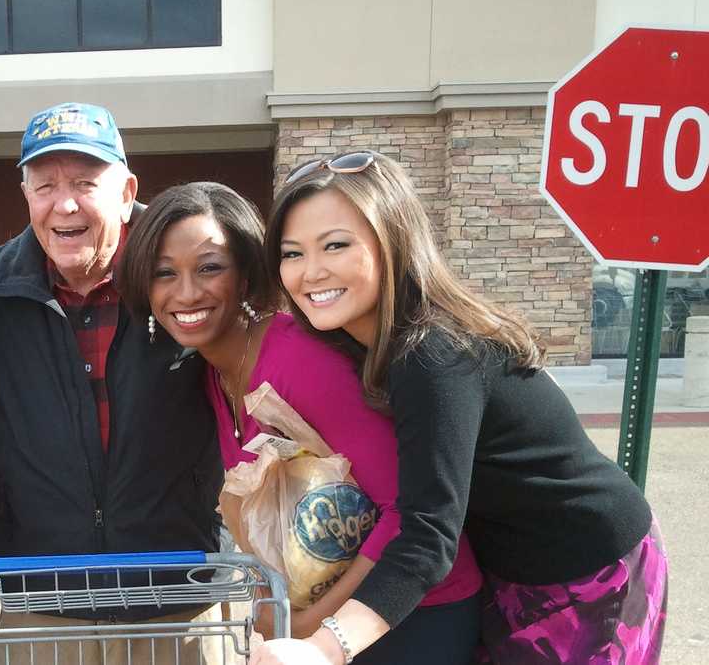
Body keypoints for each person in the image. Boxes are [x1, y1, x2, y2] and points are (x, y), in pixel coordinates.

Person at [251, 150, 667, 665]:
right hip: (509, 567)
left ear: (393, 242)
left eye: (335, 245)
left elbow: (427, 532)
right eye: (292, 254)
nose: (310, 272)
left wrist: (325, 648)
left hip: (587, 564)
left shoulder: (431, 354)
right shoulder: (356, 342)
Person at [116, 181, 483, 664]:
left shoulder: (297, 360)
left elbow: (406, 514)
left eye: (209, 268)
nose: (186, 292)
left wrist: (312, 630)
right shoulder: (213, 373)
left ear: (246, 275)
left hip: (410, 617)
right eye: (164, 273)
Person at [0, 102, 225, 665]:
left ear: (127, 190)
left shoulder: (187, 277)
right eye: (44, 185)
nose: (64, 204)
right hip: (43, 608)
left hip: (176, 601)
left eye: (86, 182)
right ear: (26, 196)